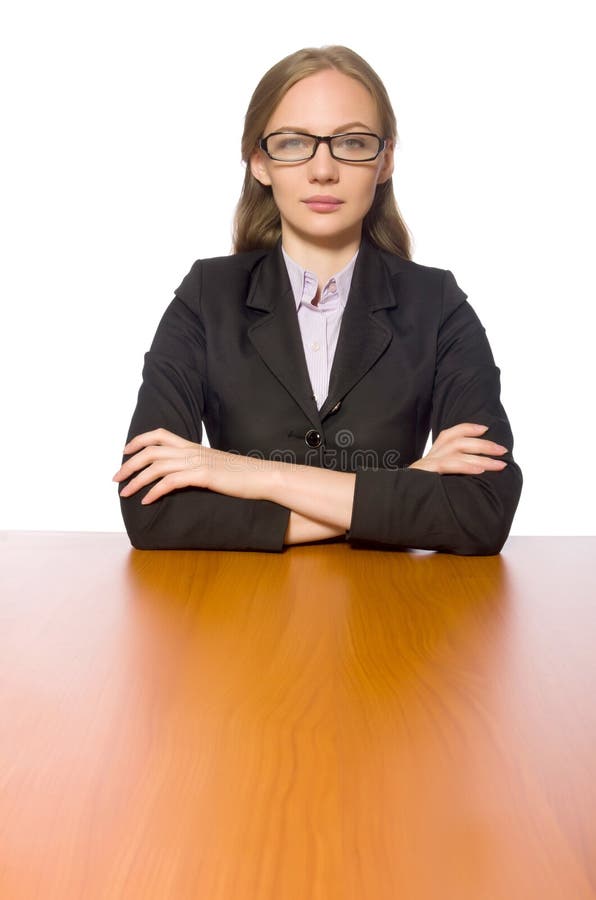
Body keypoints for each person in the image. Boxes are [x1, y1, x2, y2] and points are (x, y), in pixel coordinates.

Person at [113, 45, 522, 554]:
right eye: (293, 143)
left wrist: (245, 473)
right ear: (259, 162)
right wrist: (408, 483)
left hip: (391, 616)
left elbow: (482, 510)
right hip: (240, 617)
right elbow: (152, 509)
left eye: (351, 143)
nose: (323, 170)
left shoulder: (437, 304)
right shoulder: (206, 296)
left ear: (385, 159)